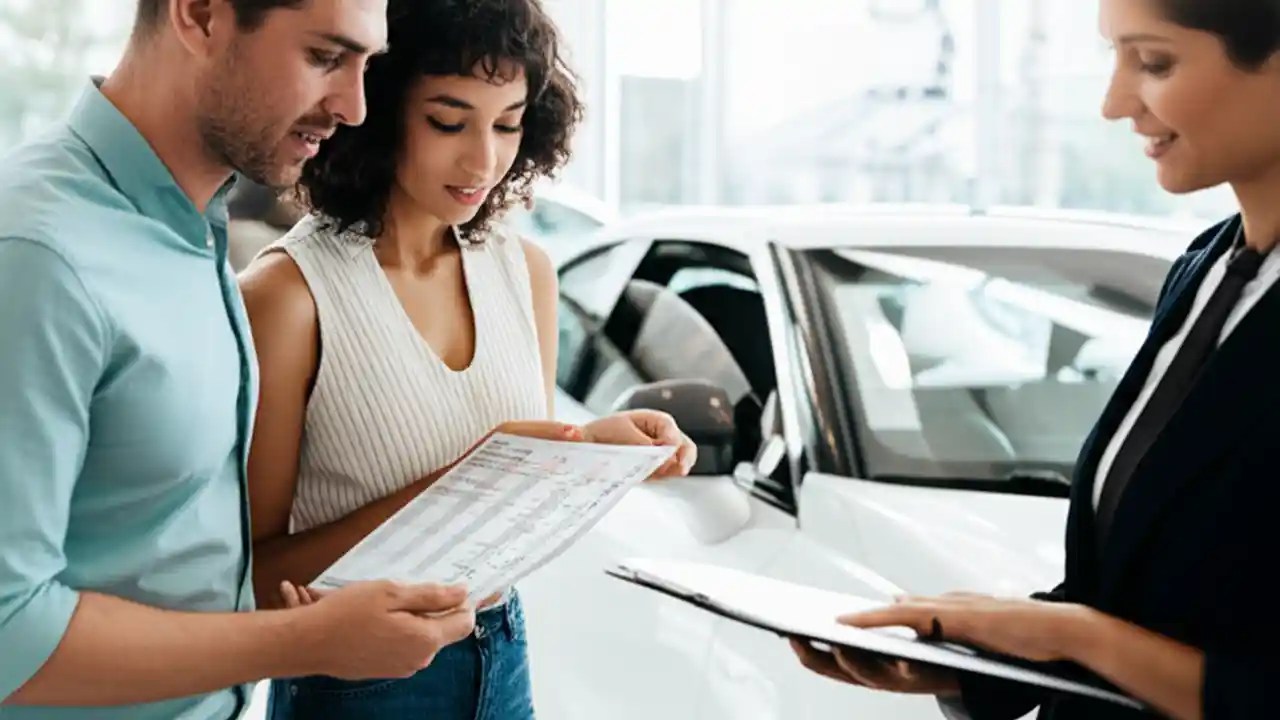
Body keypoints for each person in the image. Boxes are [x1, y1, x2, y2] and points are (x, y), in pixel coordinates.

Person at [791, 1, 1280, 718]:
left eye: (1153, 63)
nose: (1115, 104)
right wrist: (972, 660)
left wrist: (1077, 638)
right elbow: (1140, 589)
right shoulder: (1207, 267)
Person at [0, 2, 483, 719]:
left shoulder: (194, 229)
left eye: (366, 67)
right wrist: (300, 642)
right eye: (325, 57)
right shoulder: (40, 258)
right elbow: (10, 636)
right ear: (198, 15)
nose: (354, 108)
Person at [236, 0, 697, 718]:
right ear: (379, 110)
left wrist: (592, 448)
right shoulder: (288, 296)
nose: (484, 159)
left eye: (508, 123)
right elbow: (255, 577)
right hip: (357, 685)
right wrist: (468, 474)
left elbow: (515, 502)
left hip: (502, 651)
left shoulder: (527, 272)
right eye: (449, 122)